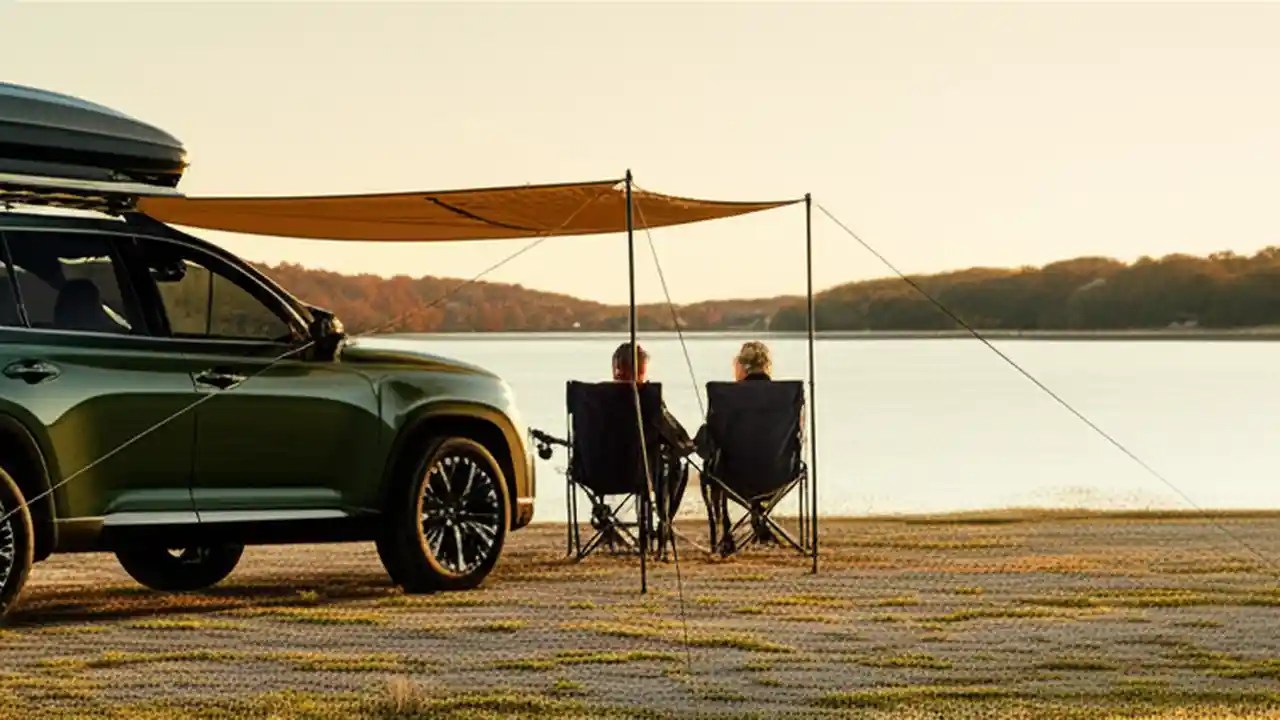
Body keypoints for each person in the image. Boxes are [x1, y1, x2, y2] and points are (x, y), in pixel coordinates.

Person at [611, 342, 695, 555]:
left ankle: (609, 522)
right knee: (676, 463)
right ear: (641, 370)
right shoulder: (649, 396)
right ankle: (664, 522)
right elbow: (673, 434)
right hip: (642, 474)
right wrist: (688, 445)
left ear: (615, 369)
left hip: (598, 473)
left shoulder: (593, 399)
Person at [700, 340, 776, 554]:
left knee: (713, 465)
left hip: (733, 475)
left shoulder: (726, 396)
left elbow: (715, 435)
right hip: (780, 472)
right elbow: (799, 435)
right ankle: (759, 516)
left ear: (742, 366)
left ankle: (724, 532)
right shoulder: (787, 395)